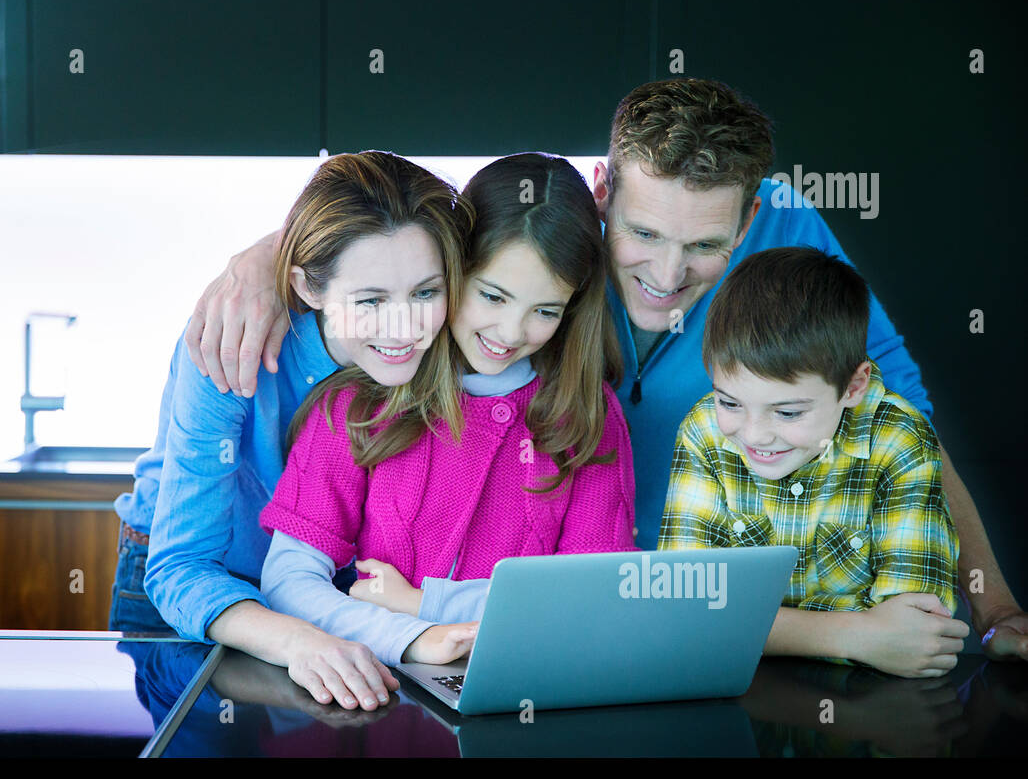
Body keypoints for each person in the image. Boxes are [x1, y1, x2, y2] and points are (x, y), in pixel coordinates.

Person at [183, 78, 1028, 662]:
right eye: (646, 236)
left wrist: (995, 612)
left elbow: (901, 418)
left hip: (685, 593)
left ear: (754, 218)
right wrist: (270, 253)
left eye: (706, 247)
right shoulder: (529, 239)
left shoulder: (790, 240)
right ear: (601, 192)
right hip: (354, 619)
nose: (667, 274)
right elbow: (402, 211)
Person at [108, 150, 473, 711]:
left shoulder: (456, 346)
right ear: (308, 288)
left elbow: (549, 234)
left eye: (426, 292)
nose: (405, 328)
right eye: (370, 300)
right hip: (199, 581)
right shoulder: (231, 344)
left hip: (332, 594)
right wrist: (301, 639)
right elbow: (181, 567)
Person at [258, 153, 636, 665]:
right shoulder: (361, 403)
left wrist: (426, 605)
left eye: (545, 311)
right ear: (452, 269)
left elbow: (591, 600)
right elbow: (289, 580)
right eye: (493, 296)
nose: (509, 333)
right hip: (385, 686)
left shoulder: (588, 417)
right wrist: (409, 637)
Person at [657, 247, 960, 677]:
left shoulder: (899, 440)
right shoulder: (704, 431)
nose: (755, 434)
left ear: (853, 387)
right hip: (741, 701)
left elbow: (916, 631)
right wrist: (855, 634)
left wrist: (737, 627)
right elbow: (681, 614)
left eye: (788, 412)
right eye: (730, 401)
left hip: (871, 711)